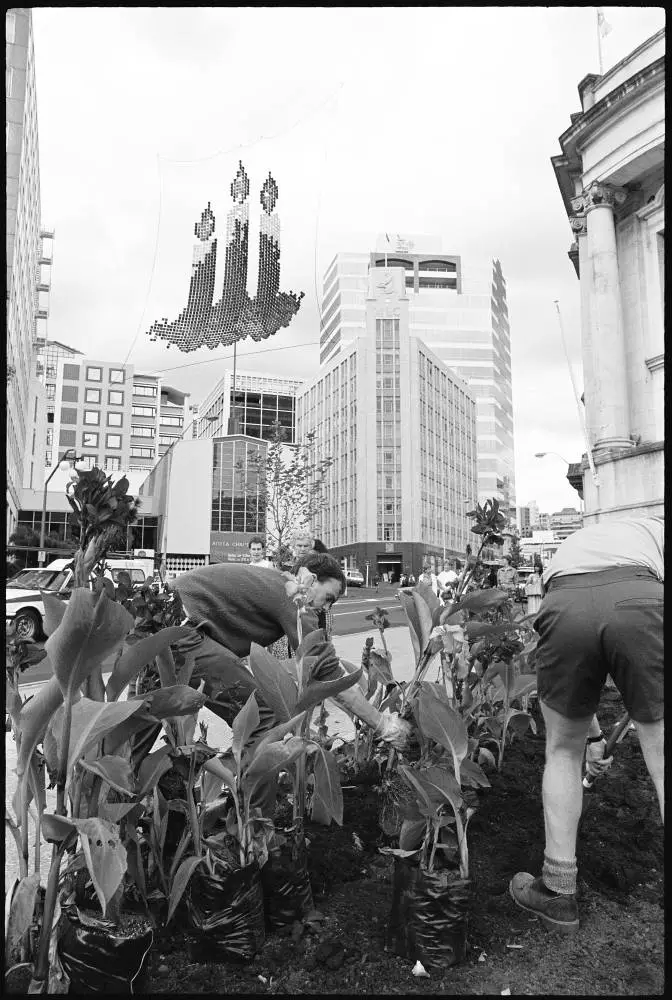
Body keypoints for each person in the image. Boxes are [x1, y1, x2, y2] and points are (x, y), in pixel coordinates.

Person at [509, 515, 664, 934]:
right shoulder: (655, 537)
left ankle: (558, 894)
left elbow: (577, 692)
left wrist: (592, 738)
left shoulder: (587, 541)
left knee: (562, 750)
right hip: (639, 598)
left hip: (563, 602)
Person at [167, 551, 411, 751]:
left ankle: (144, 801)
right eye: (328, 597)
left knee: (143, 721)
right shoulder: (293, 597)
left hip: (157, 618)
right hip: (181, 633)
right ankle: (250, 805)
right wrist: (383, 726)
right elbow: (329, 675)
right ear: (311, 580)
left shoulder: (273, 581)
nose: (326, 607)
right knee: (261, 717)